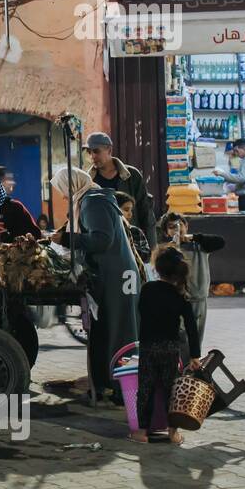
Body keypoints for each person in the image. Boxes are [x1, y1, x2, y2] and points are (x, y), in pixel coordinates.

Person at [51, 166, 139, 402]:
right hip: (110, 274)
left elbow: (101, 239)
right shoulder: (91, 200)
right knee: (106, 331)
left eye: (63, 190)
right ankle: (107, 384)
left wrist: (68, 239)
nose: (63, 196)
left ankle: (124, 390)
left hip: (116, 276)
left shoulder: (93, 202)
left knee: (120, 331)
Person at [131, 246, 201, 445]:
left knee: (146, 388)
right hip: (171, 349)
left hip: (148, 346)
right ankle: (172, 433)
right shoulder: (180, 296)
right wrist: (195, 355)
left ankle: (141, 432)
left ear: (158, 269)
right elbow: (191, 328)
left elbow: (142, 313)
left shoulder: (147, 289)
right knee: (172, 391)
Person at [158, 211, 224, 342]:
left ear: (186, 226)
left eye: (180, 224)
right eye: (171, 227)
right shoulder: (166, 250)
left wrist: (195, 237)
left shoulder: (199, 245)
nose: (177, 229)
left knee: (196, 339)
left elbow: (220, 242)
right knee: (180, 338)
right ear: (166, 232)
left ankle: (193, 361)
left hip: (198, 299)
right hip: (177, 299)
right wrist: (174, 247)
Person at [85, 131, 156, 245]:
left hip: (132, 241)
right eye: (89, 152)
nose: (92, 156)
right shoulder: (88, 181)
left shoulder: (132, 175)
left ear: (109, 150)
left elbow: (145, 211)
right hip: (103, 245)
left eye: (96, 151)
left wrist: (152, 246)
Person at [214, 138, 245, 212]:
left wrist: (222, 174)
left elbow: (241, 178)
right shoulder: (244, 160)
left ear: (244, 148)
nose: (236, 153)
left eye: (236, 151)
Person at [115, 190, 152, 265]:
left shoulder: (134, 231)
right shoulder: (105, 233)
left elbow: (147, 257)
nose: (130, 214)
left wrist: (128, 246)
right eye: (126, 209)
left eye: (131, 210)